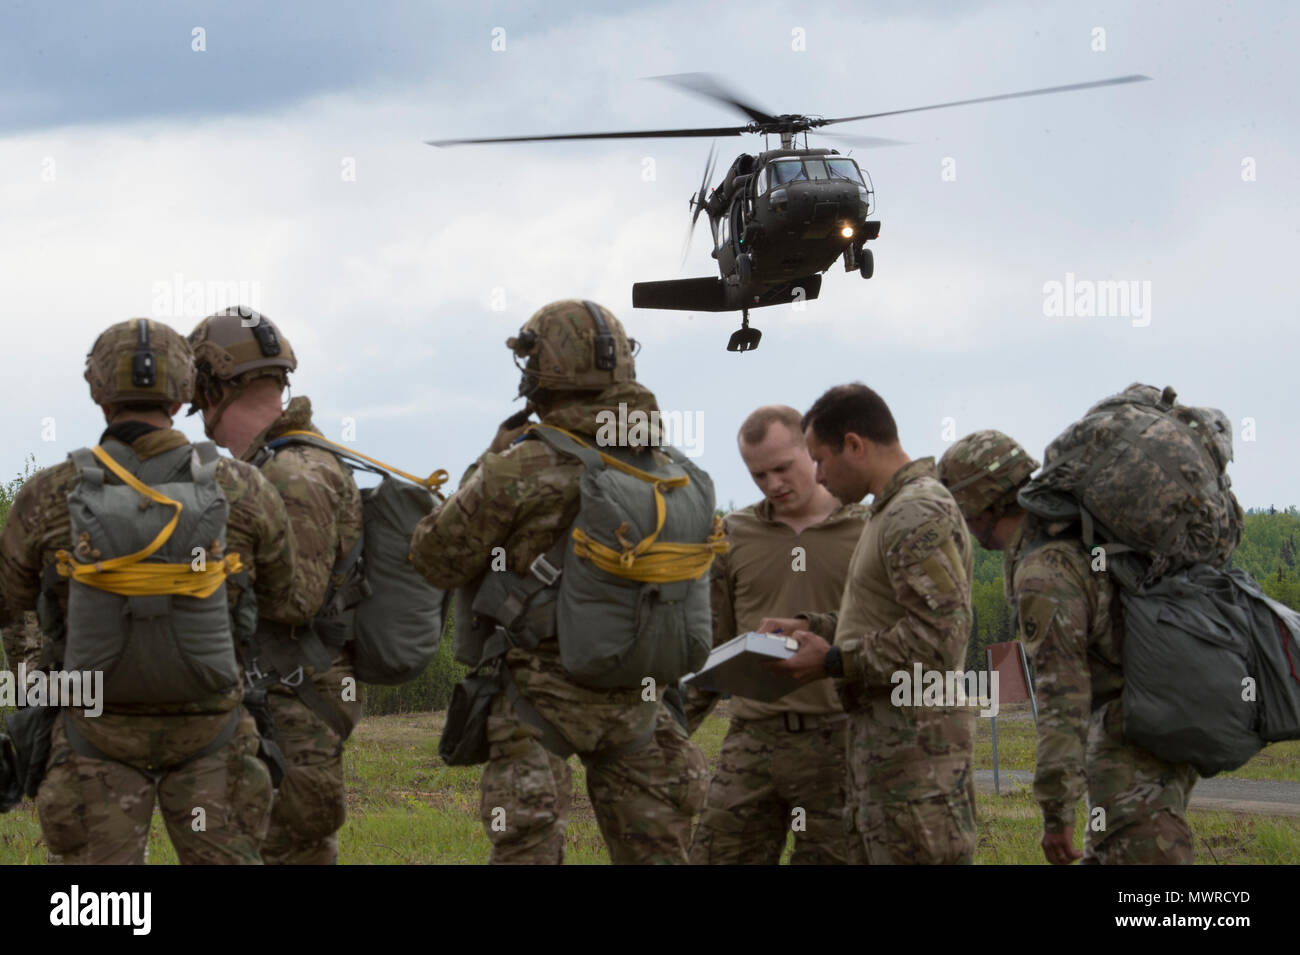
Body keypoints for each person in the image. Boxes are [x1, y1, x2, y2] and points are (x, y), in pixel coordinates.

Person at [409, 299, 708, 864]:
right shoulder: (668, 468)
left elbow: (434, 559)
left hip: (538, 697)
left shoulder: (520, 465)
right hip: (644, 701)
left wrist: (488, 459)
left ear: (541, 369)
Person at [0, 318, 303, 864]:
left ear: (99, 393)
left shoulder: (51, 494)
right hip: (213, 734)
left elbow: (7, 598)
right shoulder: (243, 489)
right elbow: (285, 598)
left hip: (94, 738)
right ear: (186, 392)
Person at [938, 429, 1198, 864]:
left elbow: (1063, 698)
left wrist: (1056, 812)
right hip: (1154, 716)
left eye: (962, 512)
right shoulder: (1066, 536)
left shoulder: (1044, 569)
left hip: (1134, 732)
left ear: (979, 504)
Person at [763, 383, 977, 865]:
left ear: (854, 445)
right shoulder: (888, 512)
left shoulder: (916, 512)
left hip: (916, 764)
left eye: (820, 460)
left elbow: (939, 638)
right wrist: (811, 626)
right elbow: (889, 617)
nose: (817, 476)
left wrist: (835, 659)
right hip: (889, 756)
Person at [188, 307, 363, 865]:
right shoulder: (269, 464)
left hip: (292, 704)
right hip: (281, 702)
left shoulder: (291, 473)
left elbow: (296, 601)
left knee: (286, 849)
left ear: (214, 388)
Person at [688, 405, 866, 865]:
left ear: (811, 449)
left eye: (782, 468)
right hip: (753, 739)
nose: (773, 484)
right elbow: (710, 650)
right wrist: (664, 730)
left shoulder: (869, 531)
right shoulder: (732, 535)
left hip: (840, 740)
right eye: (758, 475)